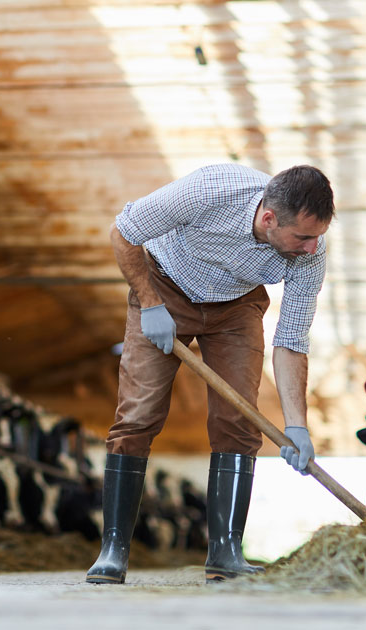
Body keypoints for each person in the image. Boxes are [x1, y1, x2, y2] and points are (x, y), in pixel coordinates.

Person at [86, 164, 334, 585]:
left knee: (238, 420)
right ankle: (113, 549)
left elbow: (291, 338)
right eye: (303, 237)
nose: (313, 247)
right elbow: (124, 232)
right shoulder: (209, 190)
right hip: (164, 290)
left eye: (317, 236)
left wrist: (297, 425)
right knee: (138, 416)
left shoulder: (312, 251)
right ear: (269, 218)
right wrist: (149, 303)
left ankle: (226, 553)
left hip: (236, 308)